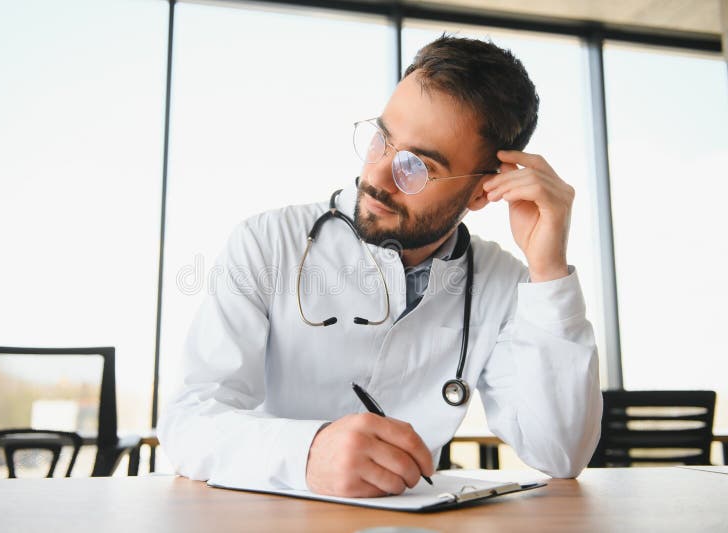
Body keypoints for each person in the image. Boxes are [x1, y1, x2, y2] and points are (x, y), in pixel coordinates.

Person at [159, 35, 602, 497]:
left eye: (418, 166)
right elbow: (188, 423)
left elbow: (561, 454)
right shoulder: (266, 243)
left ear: (480, 192)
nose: (378, 175)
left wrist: (549, 271)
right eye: (382, 140)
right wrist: (306, 453)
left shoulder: (505, 283)